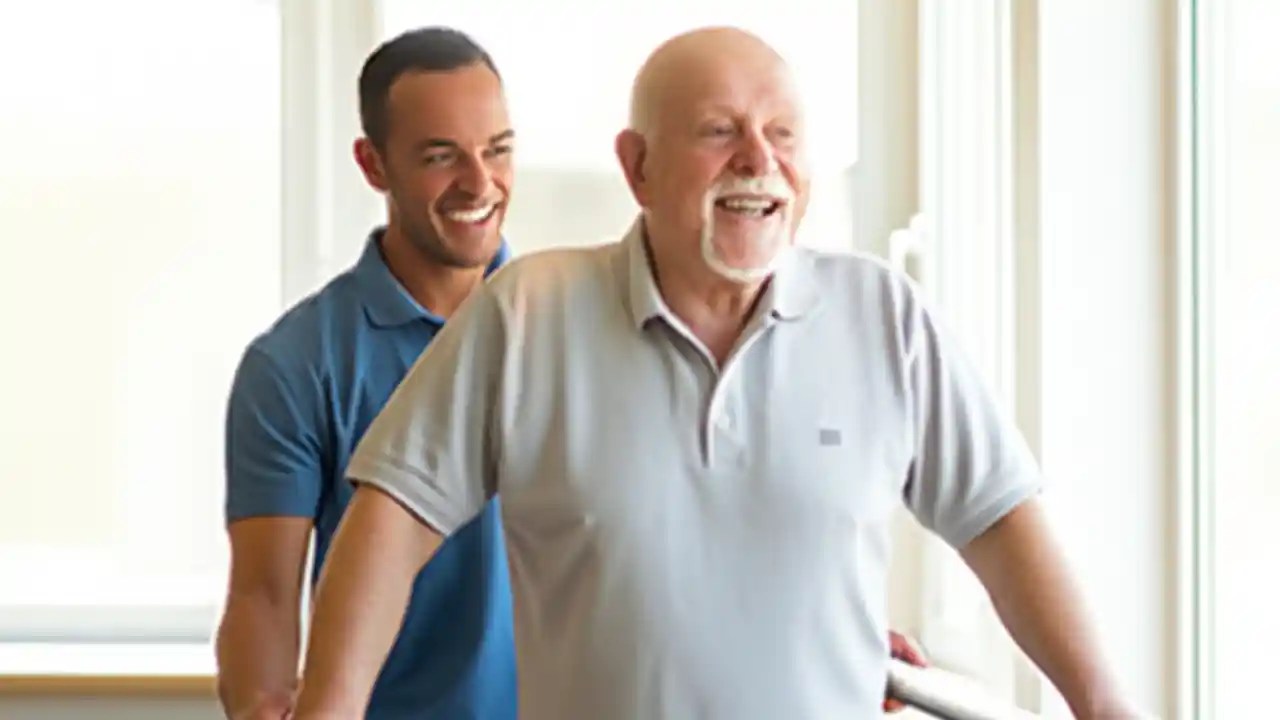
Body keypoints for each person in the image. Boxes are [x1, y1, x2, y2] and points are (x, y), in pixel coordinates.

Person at [294, 27, 1138, 720]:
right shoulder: (528, 313)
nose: (757, 159)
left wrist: (1105, 707)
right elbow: (389, 523)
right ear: (638, 167)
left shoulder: (884, 315)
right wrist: (329, 709)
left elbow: (1000, 521)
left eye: (782, 134)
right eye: (718, 131)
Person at [215, 27, 518, 720]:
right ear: (373, 164)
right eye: (441, 157)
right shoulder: (294, 364)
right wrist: (262, 702)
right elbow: (264, 595)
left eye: (497, 150)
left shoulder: (564, 328)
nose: (480, 183)